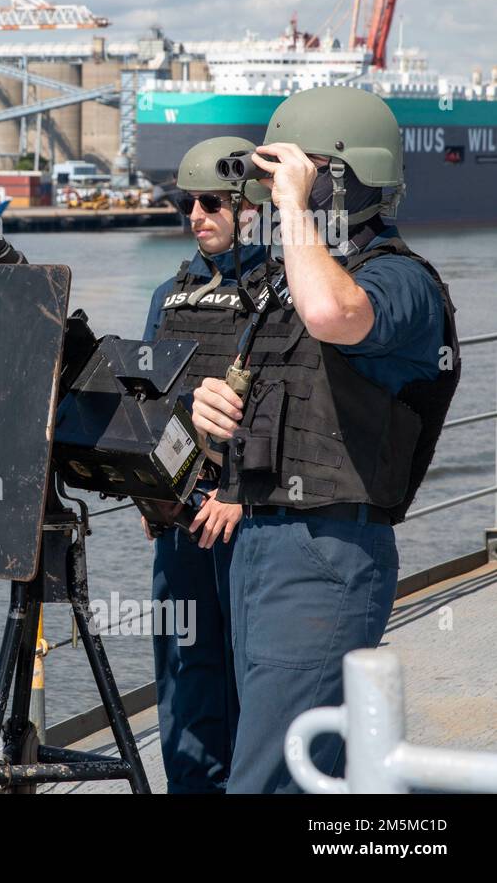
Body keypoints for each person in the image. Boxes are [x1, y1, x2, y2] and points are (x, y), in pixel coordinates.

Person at [189, 86, 460, 793]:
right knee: (295, 767)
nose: (274, 193)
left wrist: (289, 206)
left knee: (271, 780)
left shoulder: (402, 282)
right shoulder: (280, 288)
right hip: (259, 546)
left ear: (337, 177)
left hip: (326, 552)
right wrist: (211, 413)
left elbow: (333, 312)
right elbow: (281, 400)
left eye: (296, 174)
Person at [142, 136, 267, 792]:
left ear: (251, 207)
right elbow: (149, 404)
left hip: (253, 522)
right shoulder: (170, 294)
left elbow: (292, 412)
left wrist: (243, 493)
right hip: (182, 521)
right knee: (186, 680)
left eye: (213, 202)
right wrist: (150, 494)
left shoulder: (282, 293)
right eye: (188, 202)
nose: (197, 214)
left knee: (256, 679)